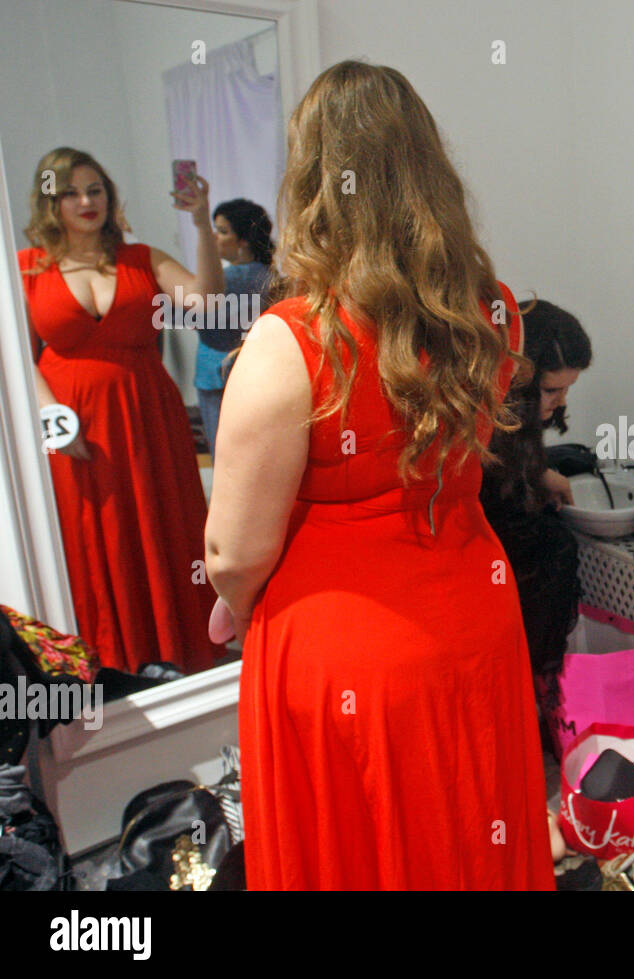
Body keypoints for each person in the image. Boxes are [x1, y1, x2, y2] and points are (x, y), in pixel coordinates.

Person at [205, 60, 555, 890]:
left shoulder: (290, 343)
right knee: (470, 831)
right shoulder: (491, 311)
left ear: (313, 180)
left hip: (346, 655)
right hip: (472, 617)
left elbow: (232, 556)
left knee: (362, 853)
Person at [17, 147, 225, 674]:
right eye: (71, 192)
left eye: (96, 189)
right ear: (50, 202)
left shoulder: (142, 259)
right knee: (91, 536)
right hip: (72, 424)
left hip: (146, 416)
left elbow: (206, 302)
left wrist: (201, 224)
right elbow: (15, 354)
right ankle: (110, 661)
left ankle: (181, 652)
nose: (87, 201)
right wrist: (52, 416)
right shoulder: (26, 269)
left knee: (163, 524)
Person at [479, 299, 591, 690]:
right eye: (551, 390)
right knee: (555, 546)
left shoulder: (518, 421)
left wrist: (541, 474)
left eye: (567, 390)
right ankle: (530, 681)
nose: (560, 402)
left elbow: (515, 457)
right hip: (481, 543)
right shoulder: (482, 417)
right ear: (519, 378)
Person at [195, 198, 273, 454]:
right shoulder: (268, 273)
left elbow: (188, 313)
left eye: (223, 231)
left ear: (244, 240)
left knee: (225, 452)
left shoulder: (232, 279)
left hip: (218, 373)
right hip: (258, 372)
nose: (216, 237)